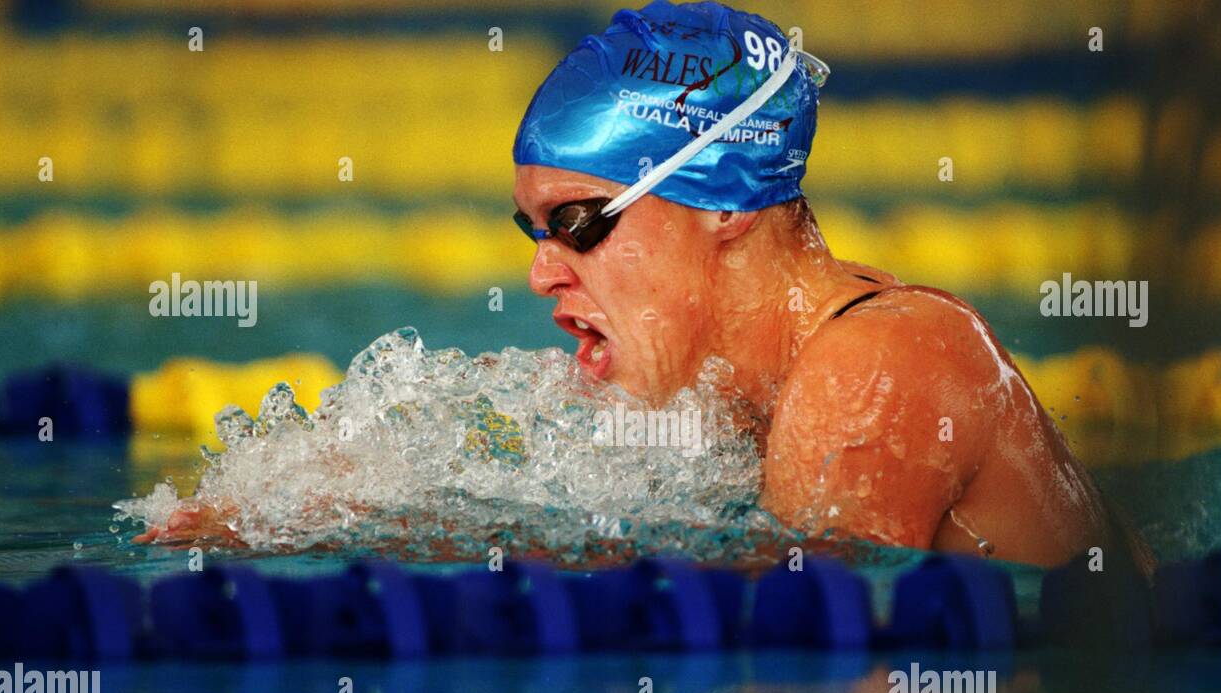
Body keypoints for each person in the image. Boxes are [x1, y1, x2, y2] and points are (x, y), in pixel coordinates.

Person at [144, 0, 1152, 574]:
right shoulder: (730, 399)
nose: (542, 269)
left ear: (724, 206)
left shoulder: (879, 363)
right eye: (533, 232)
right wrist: (341, 509)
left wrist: (387, 539)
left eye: (579, 224)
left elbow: (801, 628)